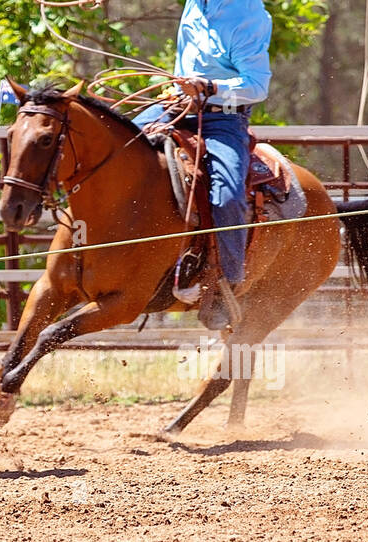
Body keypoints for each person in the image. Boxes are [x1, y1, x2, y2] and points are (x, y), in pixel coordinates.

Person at [132, 0, 273, 330]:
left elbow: (257, 85)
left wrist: (211, 87)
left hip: (224, 118)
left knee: (225, 195)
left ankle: (227, 284)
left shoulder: (247, 13)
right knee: (120, 146)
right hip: (178, 105)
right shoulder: (197, 2)